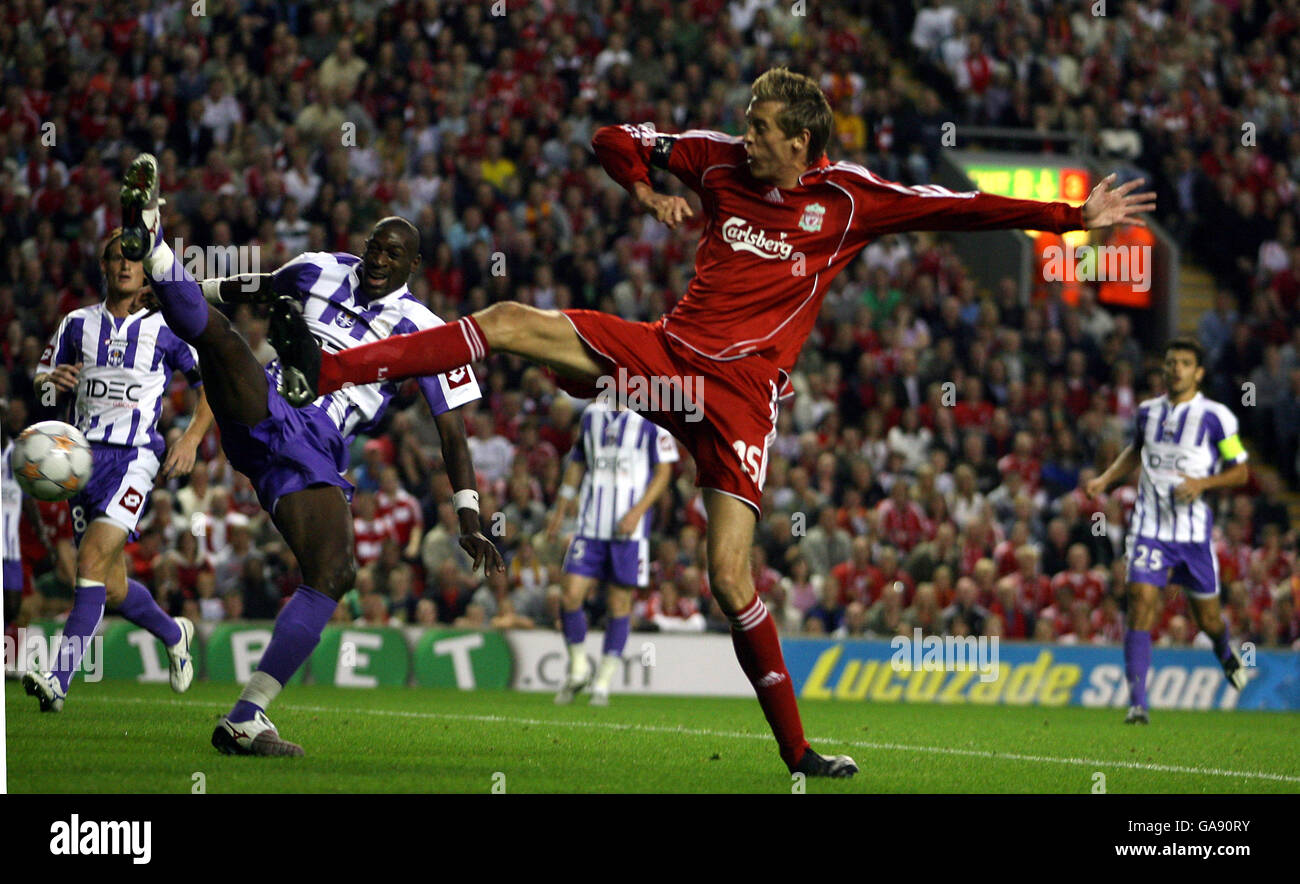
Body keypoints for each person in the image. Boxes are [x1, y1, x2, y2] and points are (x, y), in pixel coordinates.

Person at [268, 68, 1153, 777]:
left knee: (729, 577)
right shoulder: (716, 159)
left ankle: (799, 751)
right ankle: (327, 368)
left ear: (799, 140)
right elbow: (610, 138)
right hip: (667, 354)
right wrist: (648, 188)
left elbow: (960, 210)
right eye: (747, 121)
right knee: (504, 322)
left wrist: (1071, 217)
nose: (746, 133)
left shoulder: (847, 201)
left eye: (762, 125)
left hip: (738, 401)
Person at [115, 153, 503, 756]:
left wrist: (469, 515)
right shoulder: (319, 267)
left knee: (334, 572)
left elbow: (451, 431)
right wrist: (169, 292)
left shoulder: (429, 331)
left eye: (392, 254)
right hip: (267, 406)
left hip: (311, 452)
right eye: (374, 247)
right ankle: (156, 244)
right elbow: (251, 286)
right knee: (223, 339)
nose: (377, 260)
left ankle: (248, 716)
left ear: (414, 265)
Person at [21, 229, 212, 712]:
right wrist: (52, 381)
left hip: (134, 460)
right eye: (115, 258)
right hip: (79, 464)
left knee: (87, 565)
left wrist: (190, 438)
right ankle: (174, 632)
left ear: (146, 274)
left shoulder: (167, 329)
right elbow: (40, 382)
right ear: (104, 268)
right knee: (111, 585)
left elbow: (209, 385)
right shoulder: (75, 325)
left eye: (133, 259)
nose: (125, 265)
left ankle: (57, 680)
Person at [1084, 338, 1250, 724]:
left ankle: (1225, 652)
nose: (1175, 369)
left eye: (1185, 363)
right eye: (1171, 362)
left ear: (1199, 373)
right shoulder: (1146, 412)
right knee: (1140, 600)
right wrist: (1106, 479)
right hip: (1149, 528)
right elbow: (1136, 449)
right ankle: (1138, 703)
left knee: (1208, 621)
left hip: (1193, 538)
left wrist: (1202, 484)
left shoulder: (1217, 417)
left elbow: (1240, 470)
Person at [547, 399, 677, 706]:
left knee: (619, 603)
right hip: (590, 525)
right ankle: (578, 667)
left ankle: (603, 681)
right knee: (569, 595)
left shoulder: (653, 415)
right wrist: (560, 511)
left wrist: (639, 511)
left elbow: (664, 472)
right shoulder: (591, 415)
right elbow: (578, 463)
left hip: (628, 531)